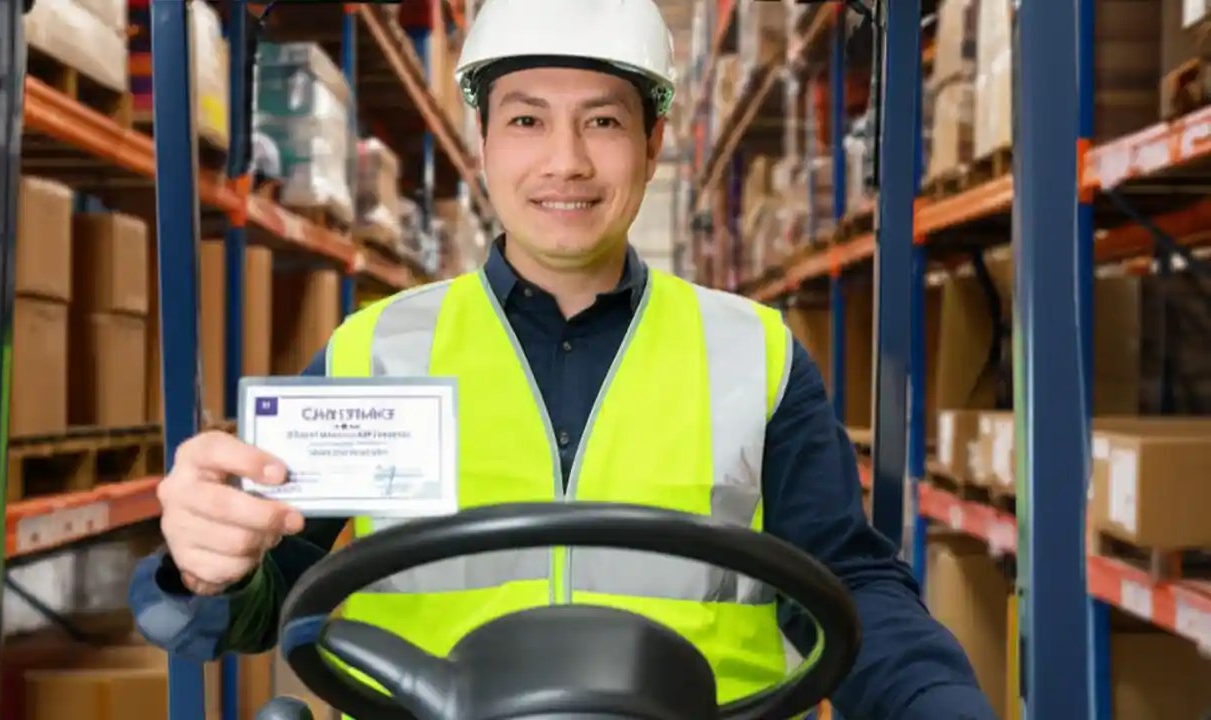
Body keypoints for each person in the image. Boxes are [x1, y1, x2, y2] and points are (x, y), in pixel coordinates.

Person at [128, 0, 997, 717]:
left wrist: (937, 701)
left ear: (654, 143)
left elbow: (848, 581)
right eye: (527, 120)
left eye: (604, 122)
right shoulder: (375, 353)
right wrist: (203, 565)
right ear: (484, 141)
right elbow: (262, 589)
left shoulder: (757, 353)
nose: (564, 162)